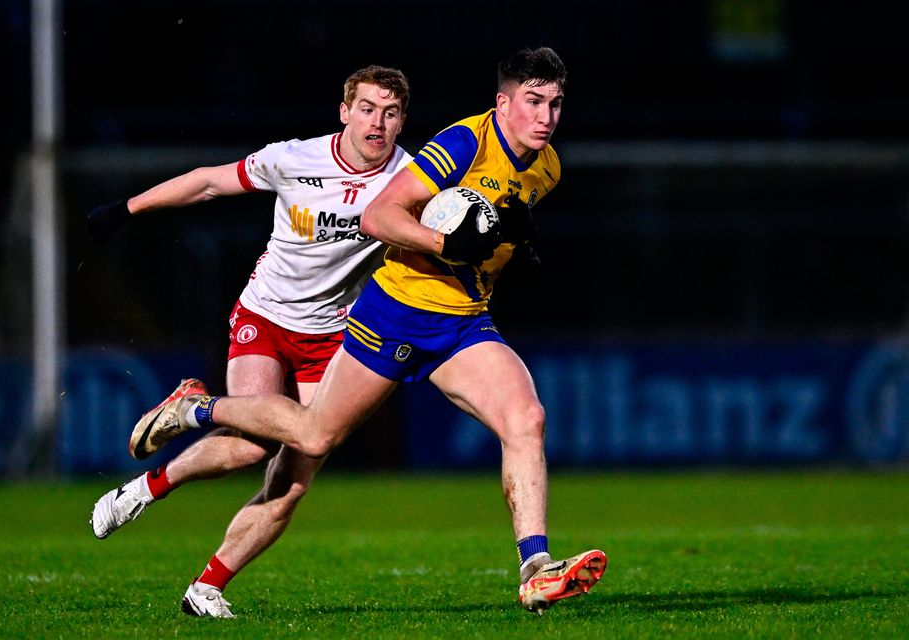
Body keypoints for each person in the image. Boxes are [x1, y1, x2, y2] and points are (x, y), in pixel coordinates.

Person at [129, 47, 607, 615]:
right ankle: (198, 410)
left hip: (462, 321)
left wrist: (508, 244)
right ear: (502, 103)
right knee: (311, 439)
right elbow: (380, 216)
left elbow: (488, 227)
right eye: (532, 102)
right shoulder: (463, 143)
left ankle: (535, 568)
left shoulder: (547, 166)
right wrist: (448, 243)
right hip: (395, 313)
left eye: (555, 103)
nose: (546, 116)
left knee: (526, 419)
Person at [87, 65, 413, 619]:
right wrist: (128, 209)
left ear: (402, 119)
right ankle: (167, 457)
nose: (377, 123)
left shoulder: (410, 176)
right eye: (366, 108)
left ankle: (204, 584)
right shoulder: (294, 158)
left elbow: (455, 218)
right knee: (253, 444)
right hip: (265, 317)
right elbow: (211, 180)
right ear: (344, 112)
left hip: (335, 336)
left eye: (389, 112)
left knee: (295, 477)